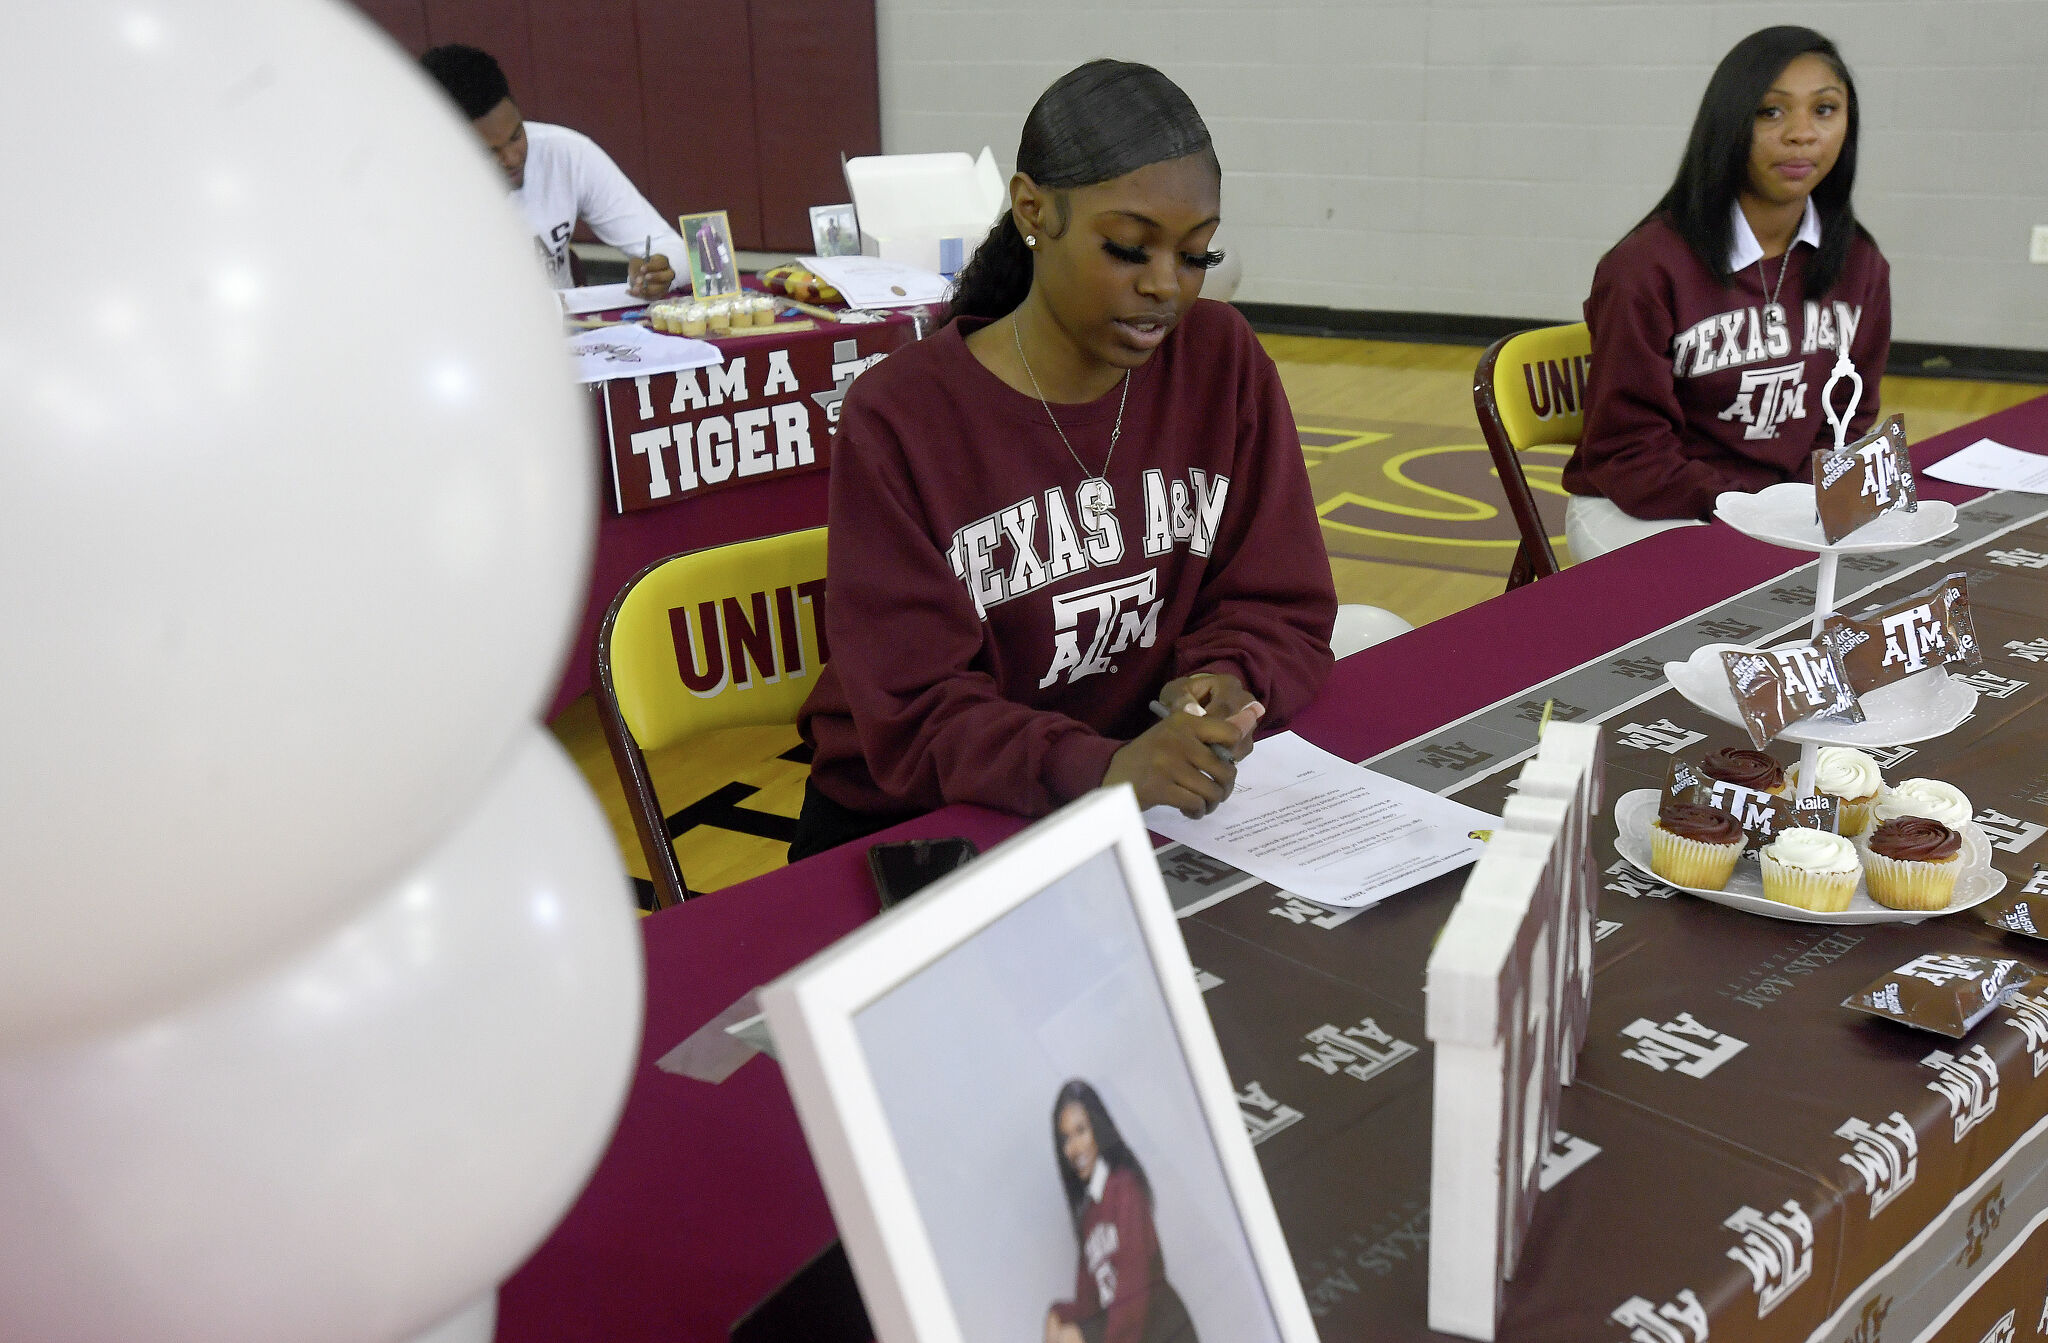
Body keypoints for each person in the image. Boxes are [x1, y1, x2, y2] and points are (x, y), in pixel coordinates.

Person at [789, 60, 1336, 859]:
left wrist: (1226, 675)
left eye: (1197, 256)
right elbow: (917, 710)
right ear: (1032, 210)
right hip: (919, 822)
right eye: (1128, 248)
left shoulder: (1223, 363)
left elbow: (1280, 601)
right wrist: (1099, 768)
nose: (1166, 285)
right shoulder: (901, 416)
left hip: (1127, 797)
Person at [1560, 27, 1891, 562]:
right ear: (1730, 123)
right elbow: (1629, 450)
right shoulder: (1646, 267)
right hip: (1648, 505)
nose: (1802, 134)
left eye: (1825, 110)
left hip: (1778, 507)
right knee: (1721, 590)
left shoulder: (1860, 262)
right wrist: (1750, 510)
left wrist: (1799, 506)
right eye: (1770, 112)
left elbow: (1848, 419)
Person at [420, 44, 685, 300]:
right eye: (489, 152)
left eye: (516, 136)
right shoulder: (409, 194)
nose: (512, 159)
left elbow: (673, 248)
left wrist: (661, 270)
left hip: (568, 328)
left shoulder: (564, 153)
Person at [1045, 1081, 1199, 1343]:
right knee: (1062, 1328)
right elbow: (1090, 1305)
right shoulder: (1089, 1216)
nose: (1074, 1147)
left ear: (1098, 1128)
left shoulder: (1125, 1188)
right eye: (1066, 1139)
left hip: (1160, 1329)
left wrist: (1085, 1336)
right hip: (1125, 1331)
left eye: (1081, 1131)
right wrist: (1059, 1314)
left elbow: (1134, 1288)